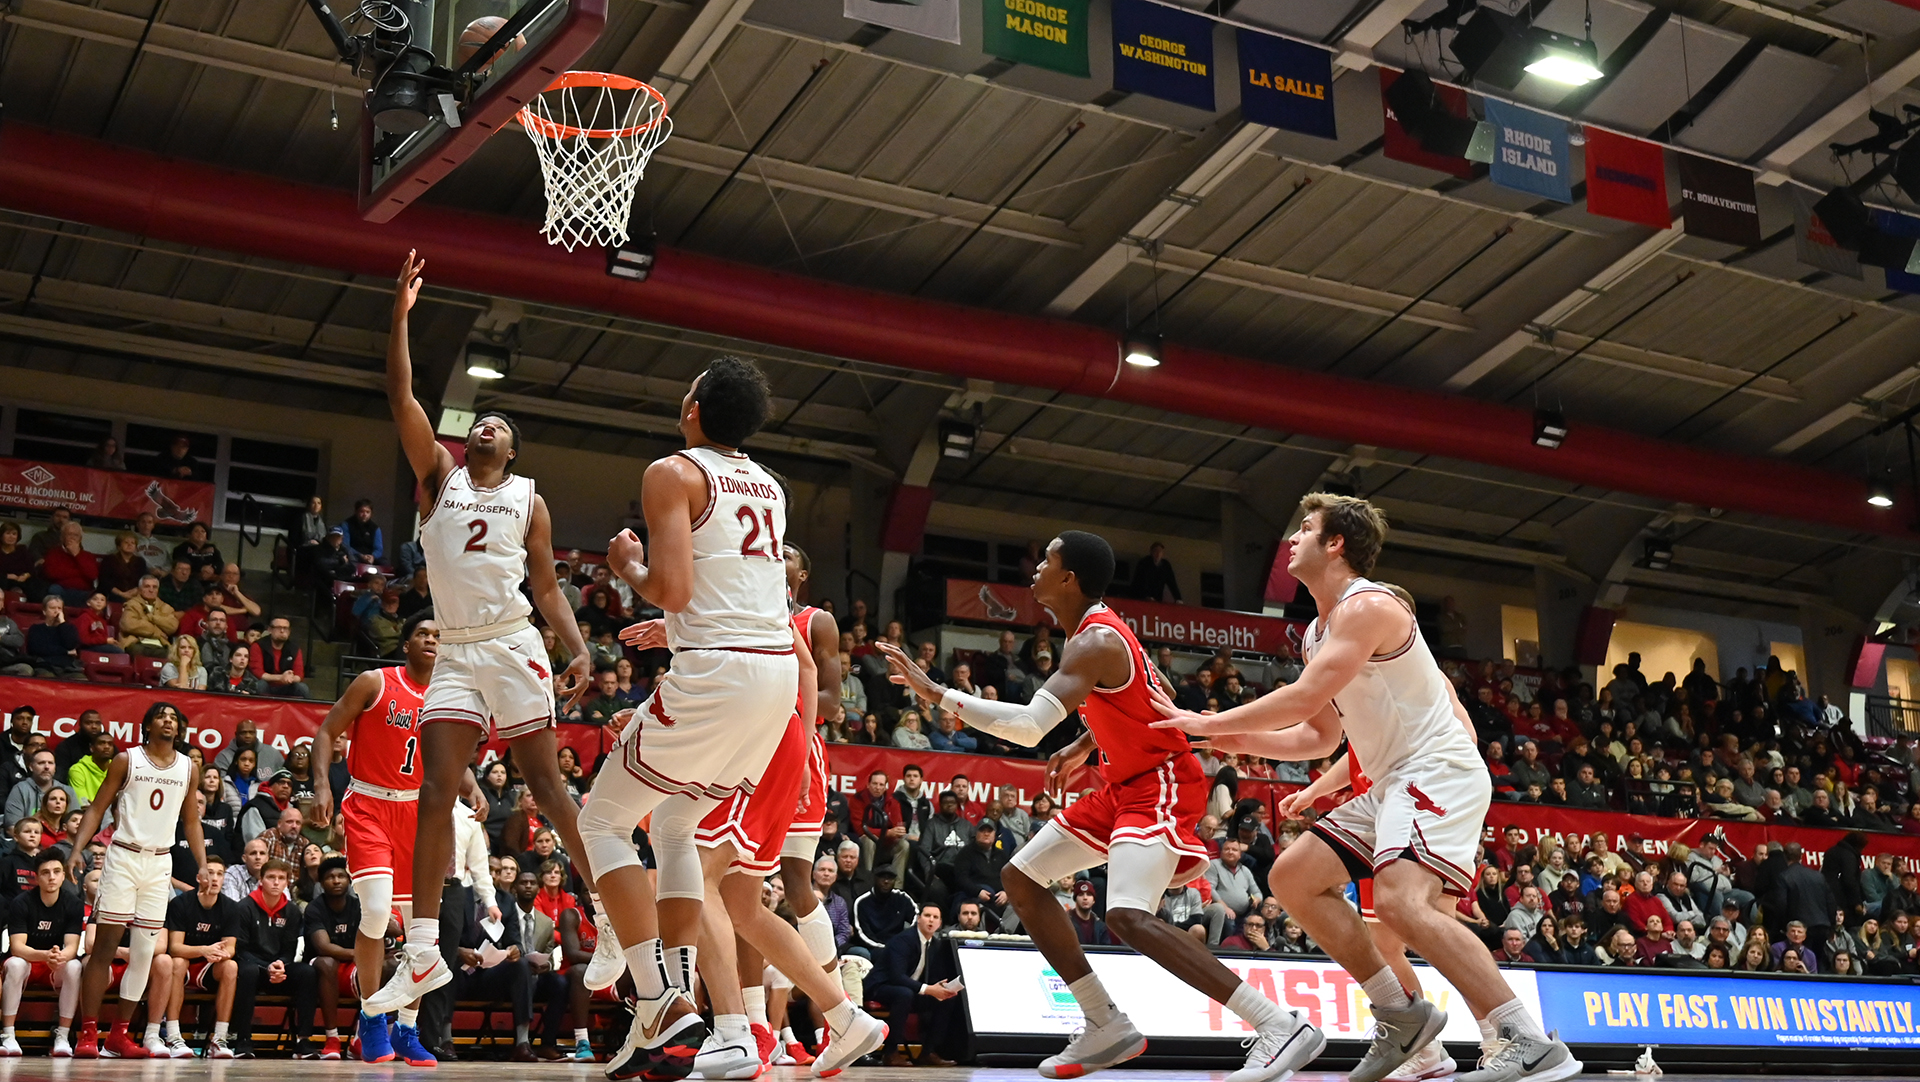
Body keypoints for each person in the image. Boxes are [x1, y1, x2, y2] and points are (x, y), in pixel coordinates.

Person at [1154, 494, 1576, 1082]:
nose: (1292, 539)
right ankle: (1401, 1017)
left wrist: (1211, 721)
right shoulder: (1315, 633)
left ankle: (1525, 1039)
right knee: (1292, 876)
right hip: (1389, 782)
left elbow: (1301, 698)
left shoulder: (1369, 605)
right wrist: (1232, 742)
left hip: (1435, 770)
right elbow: (1317, 735)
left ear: (1335, 545)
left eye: (1306, 528)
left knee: (1402, 904)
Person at [878, 530, 1320, 1082]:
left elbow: (1027, 726)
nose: (1035, 566)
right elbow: (1148, 700)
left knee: (1127, 914)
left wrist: (935, 691)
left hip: (1160, 782)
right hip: (1122, 784)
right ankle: (1104, 1021)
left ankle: (1278, 1024)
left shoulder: (1095, 640)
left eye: (1047, 560)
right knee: (1021, 877)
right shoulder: (1097, 634)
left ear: (1069, 579)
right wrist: (1088, 741)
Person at [549, 350, 810, 1081]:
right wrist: (682, 627)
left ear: (694, 409)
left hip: (721, 673)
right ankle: (710, 1022)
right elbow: (734, 583)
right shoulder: (769, 483)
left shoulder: (672, 471)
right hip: (773, 678)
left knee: (602, 820)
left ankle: (662, 998)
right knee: (673, 824)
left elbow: (671, 585)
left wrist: (622, 563)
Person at [363, 253, 597, 1043]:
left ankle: (609, 915)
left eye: (498, 425)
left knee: (548, 790)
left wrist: (577, 647)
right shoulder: (438, 474)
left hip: (512, 643)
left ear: (513, 452)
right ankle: (424, 948)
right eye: (479, 421)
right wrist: (399, 313)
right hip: (457, 650)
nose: (483, 425)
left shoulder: (530, 503)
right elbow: (401, 395)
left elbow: (549, 588)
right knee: (438, 787)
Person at [309, 609, 441, 1065]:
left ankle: (406, 1028)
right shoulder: (375, 681)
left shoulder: (447, 695)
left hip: (417, 813)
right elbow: (327, 731)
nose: (431, 640)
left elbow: (447, 757)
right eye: (422, 633)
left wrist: (472, 786)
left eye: (438, 635)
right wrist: (323, 785)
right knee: (378, 911)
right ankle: (369, 1018)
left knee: (423, 933)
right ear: (406, 644)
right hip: (368, 803)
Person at [69, 701, 206, 1058]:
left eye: (173, 718)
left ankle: (119, 1035)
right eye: (161, 716)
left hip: (160, 862)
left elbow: (191, 821)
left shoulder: (187, 768)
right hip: (124, 856)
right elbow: (97, 807)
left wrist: (202, 864)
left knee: (145, 952)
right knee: (106, 946)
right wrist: (75, 851)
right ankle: (87, 1034)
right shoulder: (127, 760)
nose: (168, 721)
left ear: (179, 729)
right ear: (147, 726)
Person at [229, 858, 320, 1056]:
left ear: (288, 882)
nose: (276, 882)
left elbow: (289, 949)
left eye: (281, 878)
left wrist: (280, 964)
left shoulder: (292, 912)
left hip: (278, 968)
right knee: (248, 971)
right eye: (271, 877)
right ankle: (243, 1039)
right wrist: (267, 967)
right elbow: (240, 949)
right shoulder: (244, 907)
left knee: (308, 972)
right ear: (261, 880)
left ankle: (304, 1040)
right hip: (252, 967)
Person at [0, 851, 84, 1056]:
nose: (52, 877)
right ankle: (8, 1034)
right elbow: (17, 947)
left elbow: (72, 946)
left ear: (64, 875)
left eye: (57, 872)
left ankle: (62, 1036)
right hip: (30, 962)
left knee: (74, 966)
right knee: (15, 964)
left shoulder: (73, 903)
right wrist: (45, 955)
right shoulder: (21, 902)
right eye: (45, 873)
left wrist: (60, 957)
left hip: (55, 964)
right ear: (36, 878)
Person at [864, 903, 965, 1067]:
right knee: (904, 994)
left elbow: (929, 977)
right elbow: (896, 976)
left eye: (935, 917)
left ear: (940, 923)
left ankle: (928, 1052)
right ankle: (890, 1052)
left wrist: (939, 987)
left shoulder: (935, 944)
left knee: (946, 998)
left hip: (909, 989)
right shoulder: (904, 940)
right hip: (880, 987)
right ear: (918, 919)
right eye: (927, 916)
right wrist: (928, 989)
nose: (931, 920)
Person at [163, 857, 242, 1058]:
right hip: (187, 961)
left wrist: (223, 954)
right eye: (210, 873)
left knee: (231, 966)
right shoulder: (181, 903)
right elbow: (175, 948)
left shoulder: (231, 907)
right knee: (177, 963)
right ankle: (173, 1036)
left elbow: (231, 947)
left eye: (220, 874)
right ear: (199, 878)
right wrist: (204, 950)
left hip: (210, 965)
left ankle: (220, 1038)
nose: (215, 878)